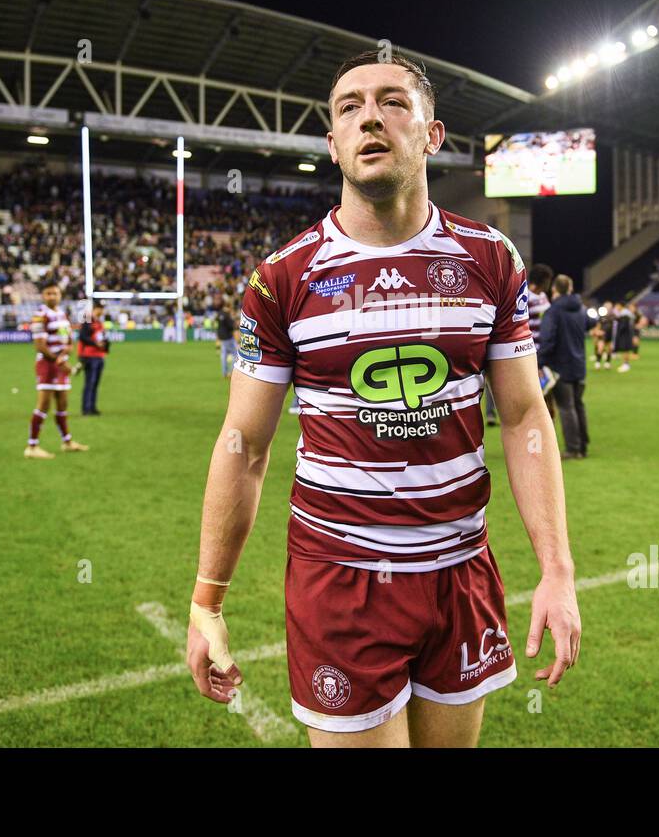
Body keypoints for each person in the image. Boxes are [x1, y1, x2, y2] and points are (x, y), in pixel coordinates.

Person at [186, 52, 580, 748]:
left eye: (393, 101)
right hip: (341, 579)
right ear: (334, 144)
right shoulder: (283, 278)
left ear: (431, 134)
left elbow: (522, 417)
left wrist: (557, 570)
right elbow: (243, 446)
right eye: (348, 107)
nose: (369, 115)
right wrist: (206, 597)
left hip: (462, 573)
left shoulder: (490, 260)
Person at [24, 281, 89, 459]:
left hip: (60, 366)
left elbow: (67, 339)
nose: (52, 296)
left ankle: (67, 442)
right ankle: (32, 446)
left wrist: (68, 348)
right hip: (47, 365)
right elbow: (39, 345)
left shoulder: (62, 314)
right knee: (43, 405)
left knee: (62, 405)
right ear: (43, 296)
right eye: (48, 293)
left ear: (60, 295)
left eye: (55, 293)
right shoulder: (40, 315)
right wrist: (58, 361)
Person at [537, 274, 595, 460]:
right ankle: (583, 446)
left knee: (566, 407)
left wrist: (539, 362)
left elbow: (547, 340)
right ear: (569, 288)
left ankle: (573, 448)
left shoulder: (553, 312)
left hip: (560, 367)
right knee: (578, 405)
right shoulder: (580, 308)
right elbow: (591, 323)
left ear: (555, 290)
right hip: (579, 365)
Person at [527, 263, 557, 418]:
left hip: (545, 350)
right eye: (548, 280)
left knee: (548, 392)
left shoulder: (544, 297)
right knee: (536, 393)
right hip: (531, 351)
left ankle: (547, 423)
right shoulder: (525, 297)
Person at [78, 303, 110, 415]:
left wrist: (105, 346)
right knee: (89, 383)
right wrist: (96, 344)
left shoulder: (99, 322)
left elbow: (103, 337)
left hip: (99, 356)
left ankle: (92, 407)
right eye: (100, 308)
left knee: (95, 383)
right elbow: (82, 337)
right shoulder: (88, 320)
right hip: (90, 356)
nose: (102, 311)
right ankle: (86, 408)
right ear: (96, 309)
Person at [611, 301, 636, 372]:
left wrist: (618, 332)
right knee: (625, 350)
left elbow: (623, 326)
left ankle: (626, 364)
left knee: (625, 350)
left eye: (617, 306)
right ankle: (625, 364)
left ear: (620, 306)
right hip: (626, 335)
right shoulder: (624, 314)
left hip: (625, 335)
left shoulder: (625, 315)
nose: (616, 308)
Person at [216, 300, 238, 377]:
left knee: (223, 355)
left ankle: (224, 372)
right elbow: (232, 326)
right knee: (236, 354)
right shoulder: (227, 315)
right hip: (228, 337)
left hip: (221, 336)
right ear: (229, 307)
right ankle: (231, 372)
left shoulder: (219, 313)